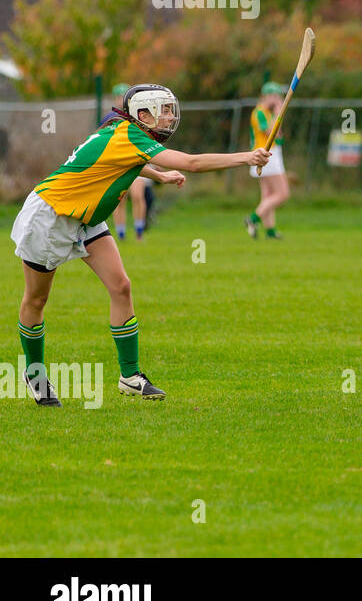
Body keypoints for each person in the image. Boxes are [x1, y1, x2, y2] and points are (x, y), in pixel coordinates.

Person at [11, 84, 269, 406]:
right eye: (165, 110)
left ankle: (130, 378)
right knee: (37, 298)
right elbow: (193, 162)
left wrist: (159, 176)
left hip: (88, 218)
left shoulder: (125, 132)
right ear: (142, 115)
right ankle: (34, 373)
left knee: (121, 286)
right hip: (51, 216)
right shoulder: (127, 134)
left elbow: (126, 162)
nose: (170, 117)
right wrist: (247, 157)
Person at [109, 83, 153, 242]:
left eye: (124, 96)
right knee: (119, 199)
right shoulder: (110, 118)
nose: (121, 99)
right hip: (119, 164)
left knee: (137, 196)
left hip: (137, 162)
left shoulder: (139, 117)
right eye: (119, 96)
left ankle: (139, 233)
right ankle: (121, 234)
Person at [245, 82, 290, 240]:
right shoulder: (260, 112)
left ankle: (270, 231)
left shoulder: (267, 113)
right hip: (266, 155)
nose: (278, 99)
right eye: (276, 96)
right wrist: (279, 113)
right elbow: (272, 133)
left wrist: (277, 115)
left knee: (268, 196)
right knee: (282, 193)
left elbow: (280, 136)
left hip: (269, 154)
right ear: (267, 96)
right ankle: (253, 219)